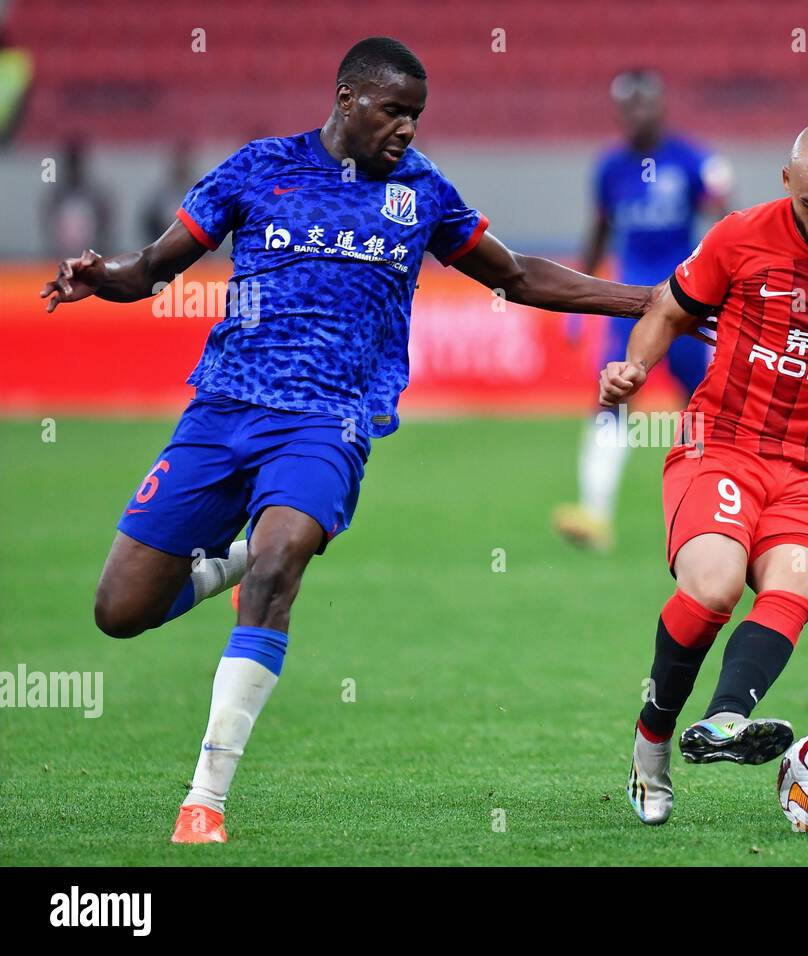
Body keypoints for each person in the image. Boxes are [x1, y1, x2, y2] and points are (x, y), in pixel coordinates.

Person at [40, 37, 665, 844]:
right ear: (345, 100)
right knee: (119, 612)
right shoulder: (258, 168)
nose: (406, 129)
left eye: (416, 115)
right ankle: (226, 563)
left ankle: (204, 800)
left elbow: (516, 276)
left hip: (328, 421)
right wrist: (105, 278)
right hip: (222, 411)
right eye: (393, 111)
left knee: (280, 564)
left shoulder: (421, 193)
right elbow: (156, 266)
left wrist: (648, 299)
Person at [601, 121, 808, 825]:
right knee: (713, 586)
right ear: (786, 183)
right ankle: (651, 745)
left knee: (803, 575)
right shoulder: (737, 237)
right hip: (721, 443)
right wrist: (635, 367)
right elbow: (668, 308)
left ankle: (721, 721)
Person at [553, 69, 730, 551]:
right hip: (627, 305)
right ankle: (594, 513)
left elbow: (724, 223)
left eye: (643, 103)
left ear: (661, 104)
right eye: (627, 106)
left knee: (703, 404)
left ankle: (714, 507)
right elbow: (599, 233)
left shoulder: (692, 161)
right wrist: (575, 305)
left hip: (687, 304)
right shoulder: (610, 168)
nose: (636, 115)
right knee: (612, 397)